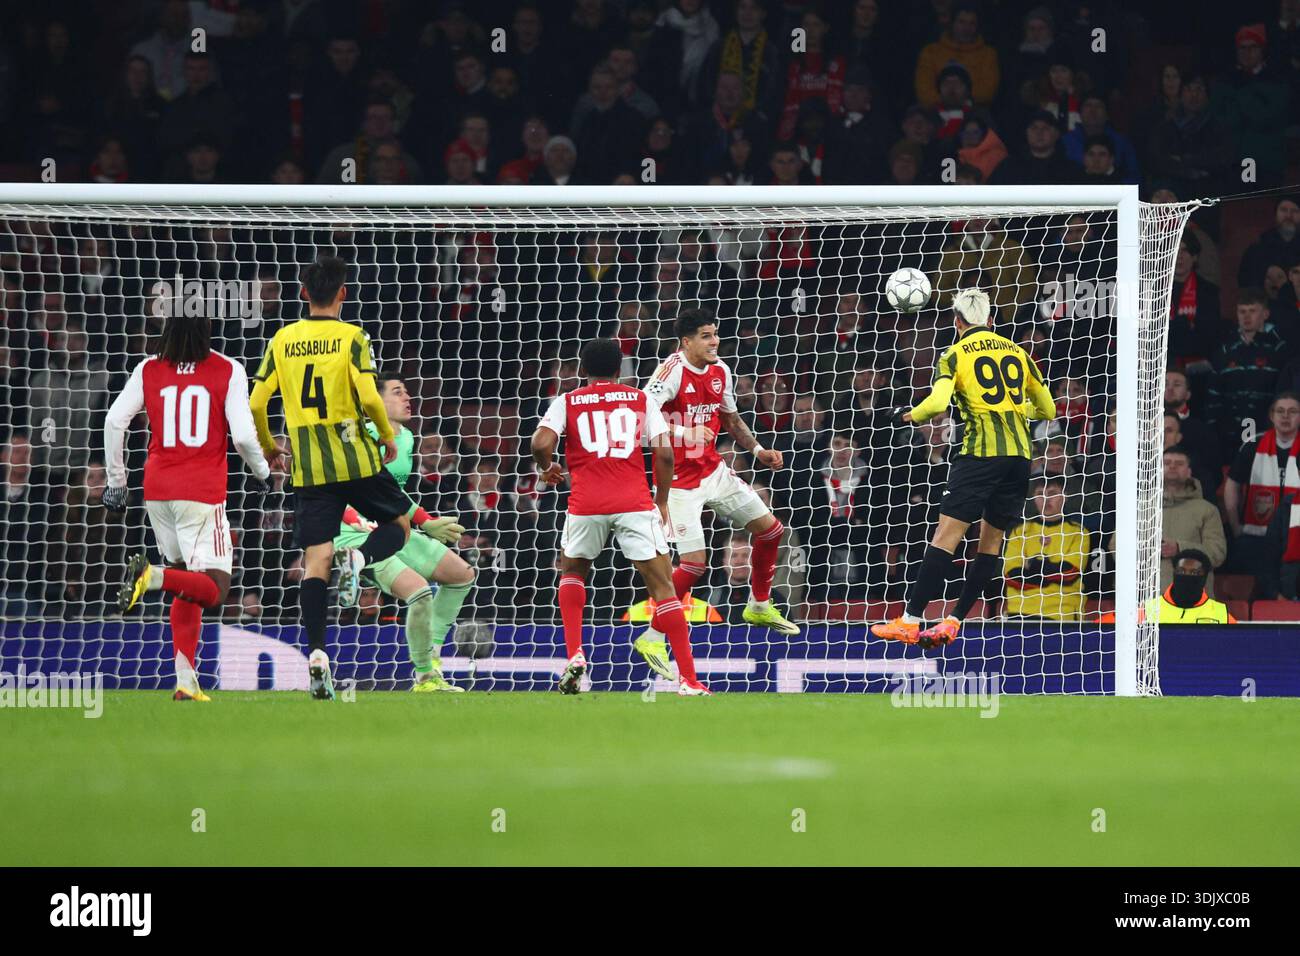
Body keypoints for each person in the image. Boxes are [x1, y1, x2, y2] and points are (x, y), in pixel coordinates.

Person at [249, 255, 411, 701]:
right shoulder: (352, 337)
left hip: (309, 468)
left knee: (316, 562)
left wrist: (266, 444)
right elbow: (367, 395)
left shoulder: (283, 338)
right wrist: (384, 436)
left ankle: (317, 654)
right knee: (398, 526)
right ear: (342, 293)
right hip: (355, 459)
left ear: (304, 293)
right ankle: (359, 560)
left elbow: (257, 403)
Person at [871, 287, 1056, 646]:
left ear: (957, 322)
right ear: (991, 320)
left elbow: (938, 402)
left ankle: (910, 620)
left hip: (979, 456)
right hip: (1019, 459)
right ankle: (954, 620)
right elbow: (1047, 410)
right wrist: (1016, 412)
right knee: (990, 544)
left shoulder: (954, 355)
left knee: (946, 538)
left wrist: (910, 414)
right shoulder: (1020, 353)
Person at [530, 337, 709, 696]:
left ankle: (575, 655)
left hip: (586, 504)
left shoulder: (567, 401)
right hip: (634, 502)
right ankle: (688, 680)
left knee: (573, 574)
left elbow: (539, 442)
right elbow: (664, 454)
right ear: (619, 370)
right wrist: (660, 500)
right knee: (663, 588)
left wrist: (547, 468)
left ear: (583, 370)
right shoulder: (640, 399)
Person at [105, 314, 270, 701]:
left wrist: (116, 482)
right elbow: (244, 436)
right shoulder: (227, 368)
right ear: (206, 332)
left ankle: (185, 679)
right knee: (214, 588)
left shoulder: (148, 368)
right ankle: (152, 576)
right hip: (200, 493)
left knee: (188, 583)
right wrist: (261, 471)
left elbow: (115, 421)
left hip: (157, 490)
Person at [639, 308, 800, 640]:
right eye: (706, 336)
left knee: (771, 531)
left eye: (715, 334)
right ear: (686, 342)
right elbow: (641, 423)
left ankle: (758, 604)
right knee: (695, 564)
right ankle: (653, 636)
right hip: (678, 481)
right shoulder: (669, 372)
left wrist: (758, 451)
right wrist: (686, 434)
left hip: (713, 471)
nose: (715, 341)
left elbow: (730, 419)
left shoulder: (720, 371)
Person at [333, 378, 473, 692]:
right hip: (355, 534)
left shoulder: (407, 438)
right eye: (398, 392)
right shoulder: (359, 433)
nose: (407, 396)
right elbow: (334, 485)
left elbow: (391, 495)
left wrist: (427, 522)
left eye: (407, 391)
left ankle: (433, 656)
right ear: (375, 401)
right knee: (420, 592)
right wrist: (352, 515)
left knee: (461, 574)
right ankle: (425, 677)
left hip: (394, 528)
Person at [1223, 391, 1300, 599]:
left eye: (1293, 411)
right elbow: (1232, 485)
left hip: (1295, 536)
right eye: (1280, 411)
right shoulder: (1253, 444)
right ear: (1271, 415)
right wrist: (1235, 526)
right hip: (1255, 536)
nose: (1286, 416)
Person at [1002, 475, 1091, 620]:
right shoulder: (1020, 531)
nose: (1045, 499)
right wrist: (1050, 569)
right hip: (1020, 613)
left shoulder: (1078, 532)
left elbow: (1069, 573)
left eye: (1052, 493)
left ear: (1065, 496)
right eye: (1039, 494)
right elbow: (1012, 576)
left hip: (1062, 615)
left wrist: (1032, 566)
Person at [1160, 445, 1226, 591]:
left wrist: (1179, 548)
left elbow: (1217, 553)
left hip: (1194, 599)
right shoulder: (1140, 509)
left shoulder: (1207, 510)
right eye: (1166, 463)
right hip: (1147, 600)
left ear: (1189, 472)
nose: (1172, 467)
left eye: (1179, 464)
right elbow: (1116, 546)